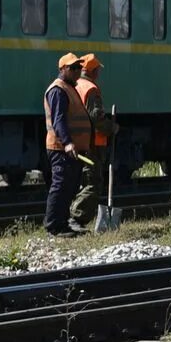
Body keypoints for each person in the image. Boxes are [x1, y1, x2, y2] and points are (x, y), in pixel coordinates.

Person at [42, 52, 89, 236]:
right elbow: (58, 120)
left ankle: (63, 224)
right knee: (60, 186)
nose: (78, 71)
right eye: (73, 68)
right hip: (61, 148)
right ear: (63, 69)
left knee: (70, 186)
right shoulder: (58, 90)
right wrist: (68, 143)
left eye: (79, 67)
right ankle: (53, 226)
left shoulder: (70, 87)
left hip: (71, 149)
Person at [70, 53, 117, 229]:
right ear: (93, 71)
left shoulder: (75, 85)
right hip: (93, 144)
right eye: (97, 70)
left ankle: (72, 216)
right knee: (93, 182)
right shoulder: (90, 89)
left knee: (80, 180)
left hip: (77, 141)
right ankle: (77, 218)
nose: (98, 74)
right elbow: (96, 118)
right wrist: (112, 127)